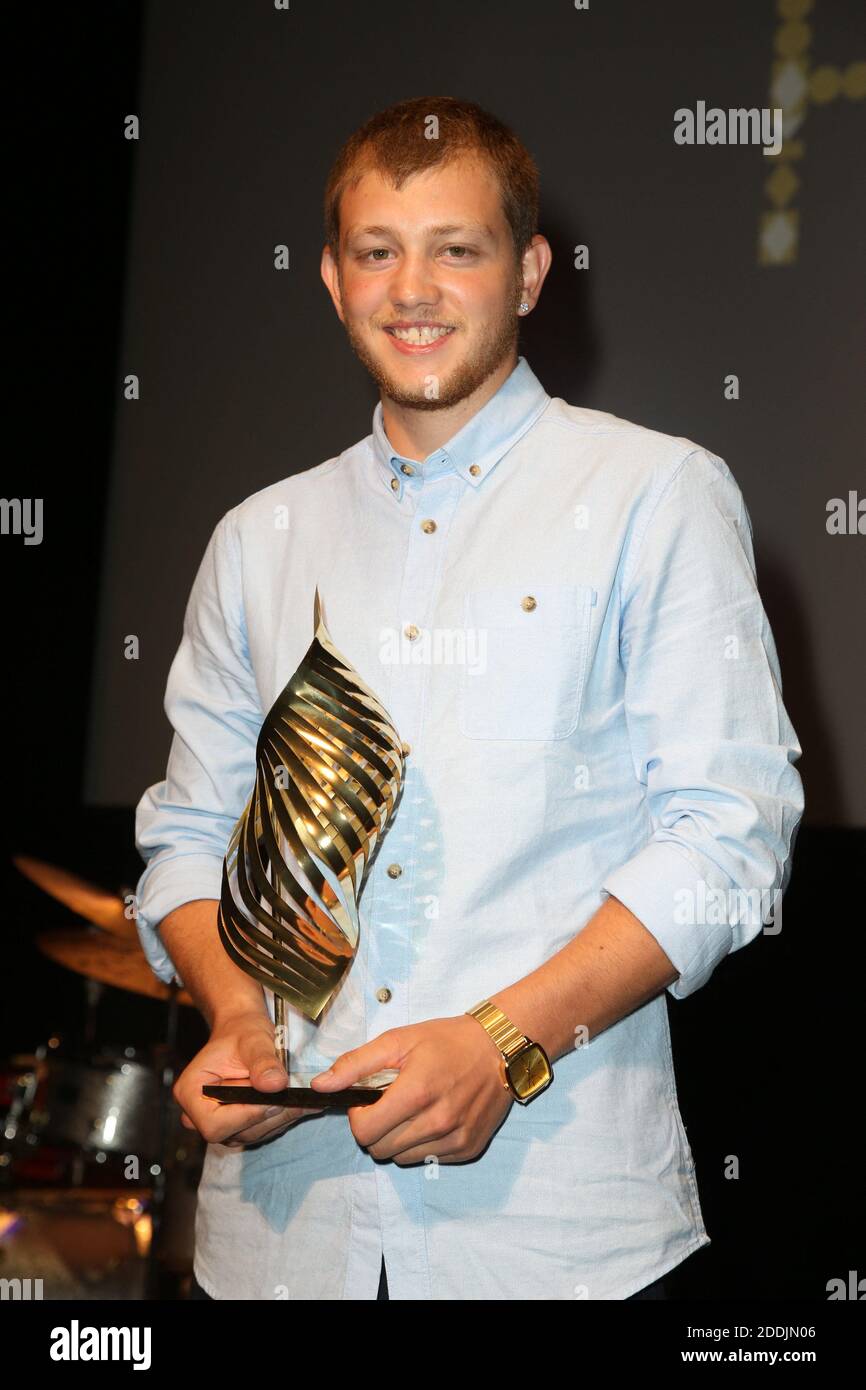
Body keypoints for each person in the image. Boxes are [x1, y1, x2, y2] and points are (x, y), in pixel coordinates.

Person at [134, 96, 804, 1301]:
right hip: (281, 1242)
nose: (413, 288)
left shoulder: (656, 494)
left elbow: (728, 838)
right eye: (377, 251)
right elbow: (187, 839)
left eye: (458, 248)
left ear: (529, 271)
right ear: (333, 280)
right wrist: (238, 1015)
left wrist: (505, 1042)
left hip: (552, 1240)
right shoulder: (257, 540)